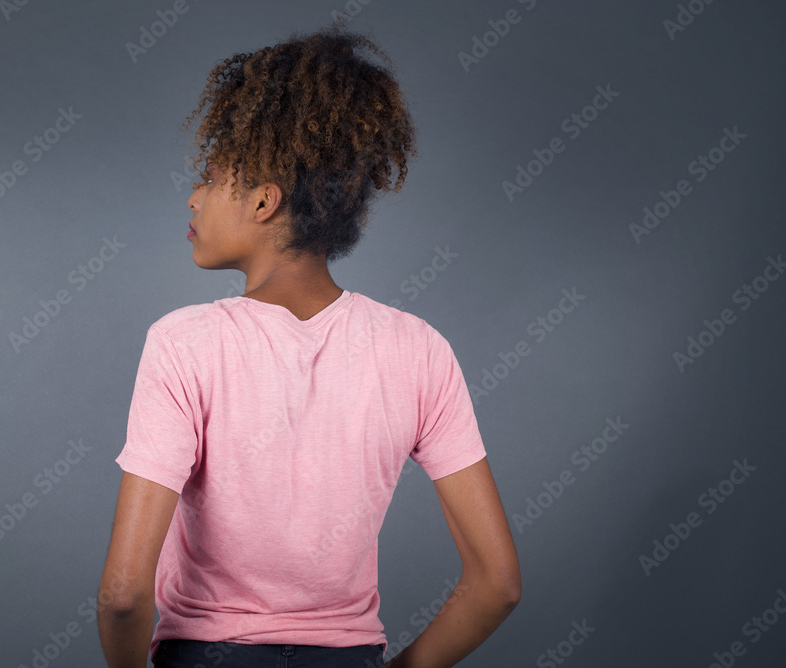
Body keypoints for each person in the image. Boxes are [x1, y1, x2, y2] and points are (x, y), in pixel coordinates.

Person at [98, 25, 521, 668]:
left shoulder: (185, 342)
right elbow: (497, 584)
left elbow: (124, 594)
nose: (192, 196)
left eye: (209, 179)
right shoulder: (419, 349)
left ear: (265, 200)